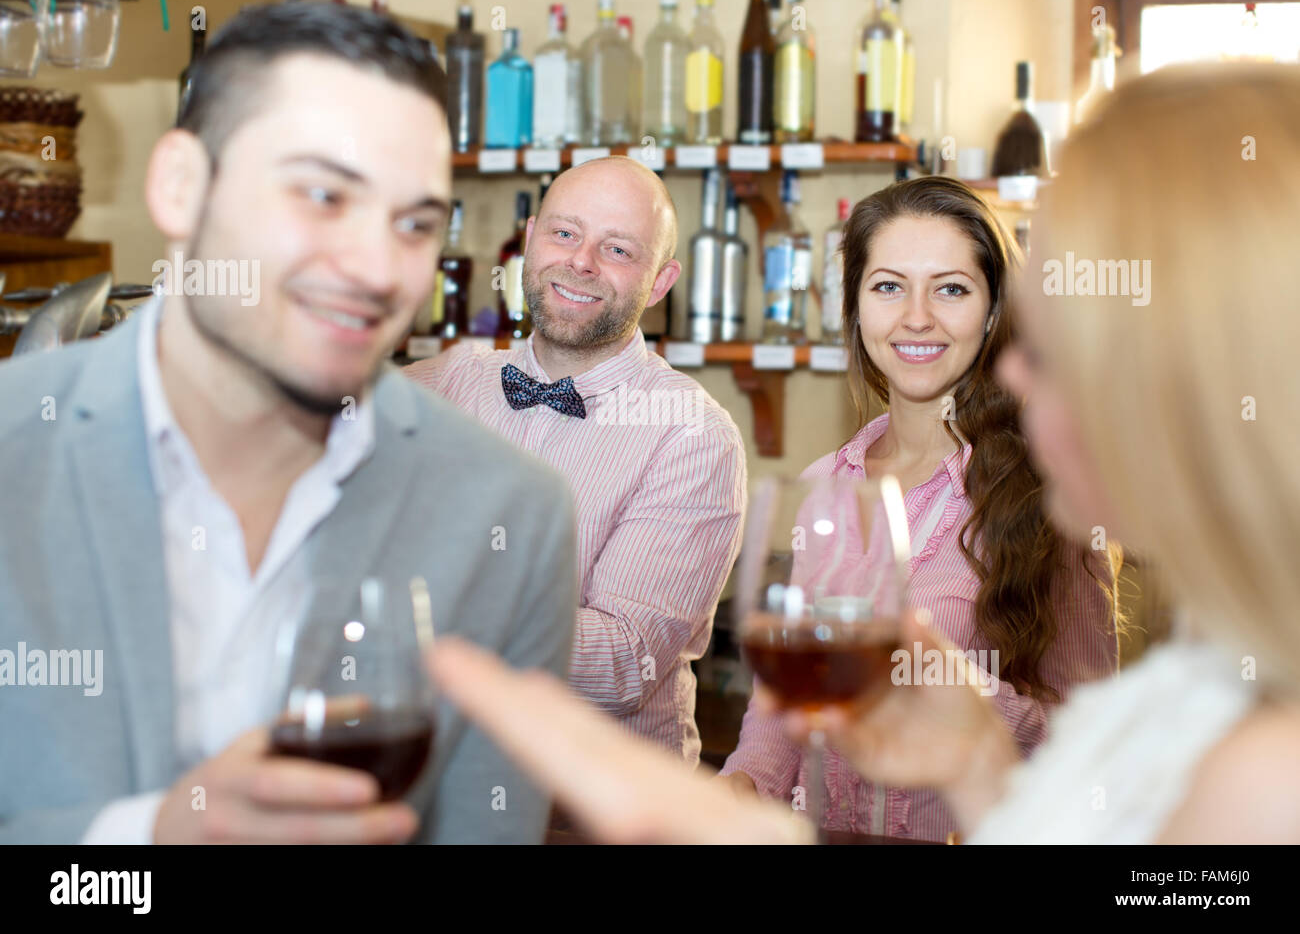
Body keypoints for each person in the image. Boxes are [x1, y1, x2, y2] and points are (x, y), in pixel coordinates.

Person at [421, 61, 1300, 844]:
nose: (1024, 368)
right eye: (888, 288)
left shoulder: (1257, 763)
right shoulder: (831, 485)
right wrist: (954, 765)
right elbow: (780, 726)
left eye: (1061, 334)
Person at [0, 1, 576, 844]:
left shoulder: (512, 515)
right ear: (180, 187)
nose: (377, 269)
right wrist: (143, 844)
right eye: (322, 194)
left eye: (414, 223)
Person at [718, 176, 1120, 841]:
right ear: (854, 308)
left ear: (995, 312)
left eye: (952, 289)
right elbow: (782, 703)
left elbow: (1096, 747)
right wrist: (744, 782)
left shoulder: (1056, 494)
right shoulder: (825, 485)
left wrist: (949, 690)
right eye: (888, 286)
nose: (916, 317)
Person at [404, 157, 745, 765]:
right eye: (564, 234)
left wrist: (424, 602)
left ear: (660, 282)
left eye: (617, 249)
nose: (580, 261)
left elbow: (619, 665)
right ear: (530, 240)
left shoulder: (692, 436)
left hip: (598, 820)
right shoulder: (441, 385)